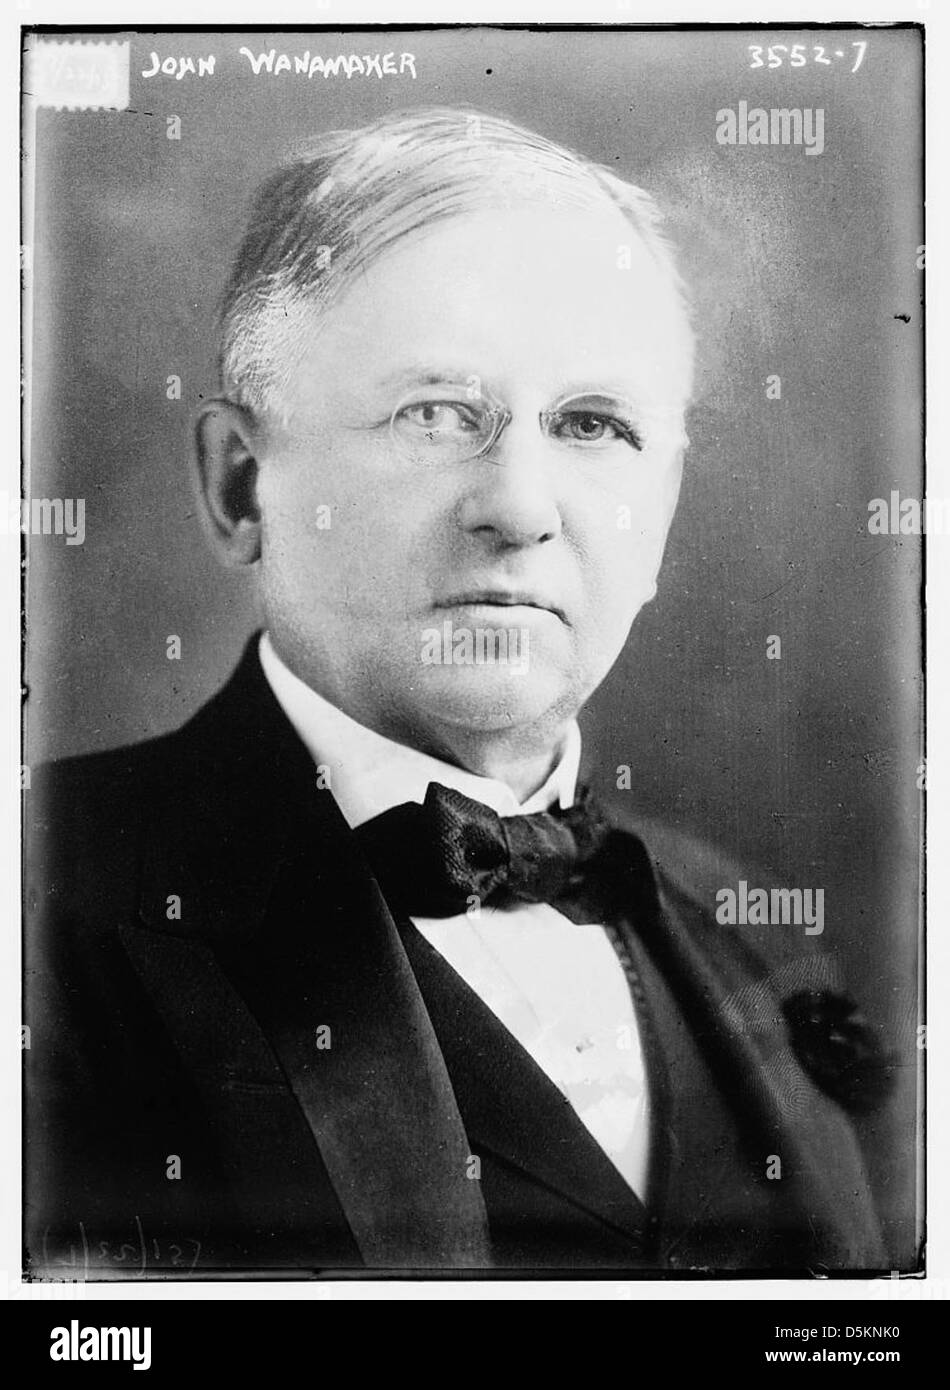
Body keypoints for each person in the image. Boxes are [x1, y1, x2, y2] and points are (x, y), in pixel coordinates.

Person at [24, 107, 890, 1278]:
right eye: (435, 414)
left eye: (593, 424)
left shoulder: (737, 917)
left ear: (663, 513)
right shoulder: (47, 906)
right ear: (241, 488)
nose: (520, 505)